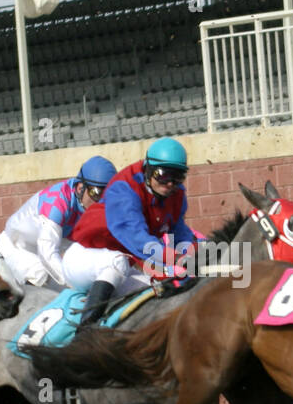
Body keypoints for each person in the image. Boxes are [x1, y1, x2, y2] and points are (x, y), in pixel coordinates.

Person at [63, 137, 197, 325]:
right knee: (116, 262)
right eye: (163, 175)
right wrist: (176, 258)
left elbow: (180, 232)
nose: (170, 184)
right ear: (147, 169)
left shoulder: (176, 195)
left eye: (178, 177)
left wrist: (193, 256)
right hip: (83, 258)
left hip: (124, 264)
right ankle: (85, 333)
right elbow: (140, 241)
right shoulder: (124, 188)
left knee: (157, 290)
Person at [0, 155, 117, 290]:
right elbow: (47, 253)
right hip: (16, 248)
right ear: (80, 188)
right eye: (97, 193)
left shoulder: (92, 203)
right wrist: (76, 286)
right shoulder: (58, 202)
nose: (102, 202)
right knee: (43, 276)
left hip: (46, 245)